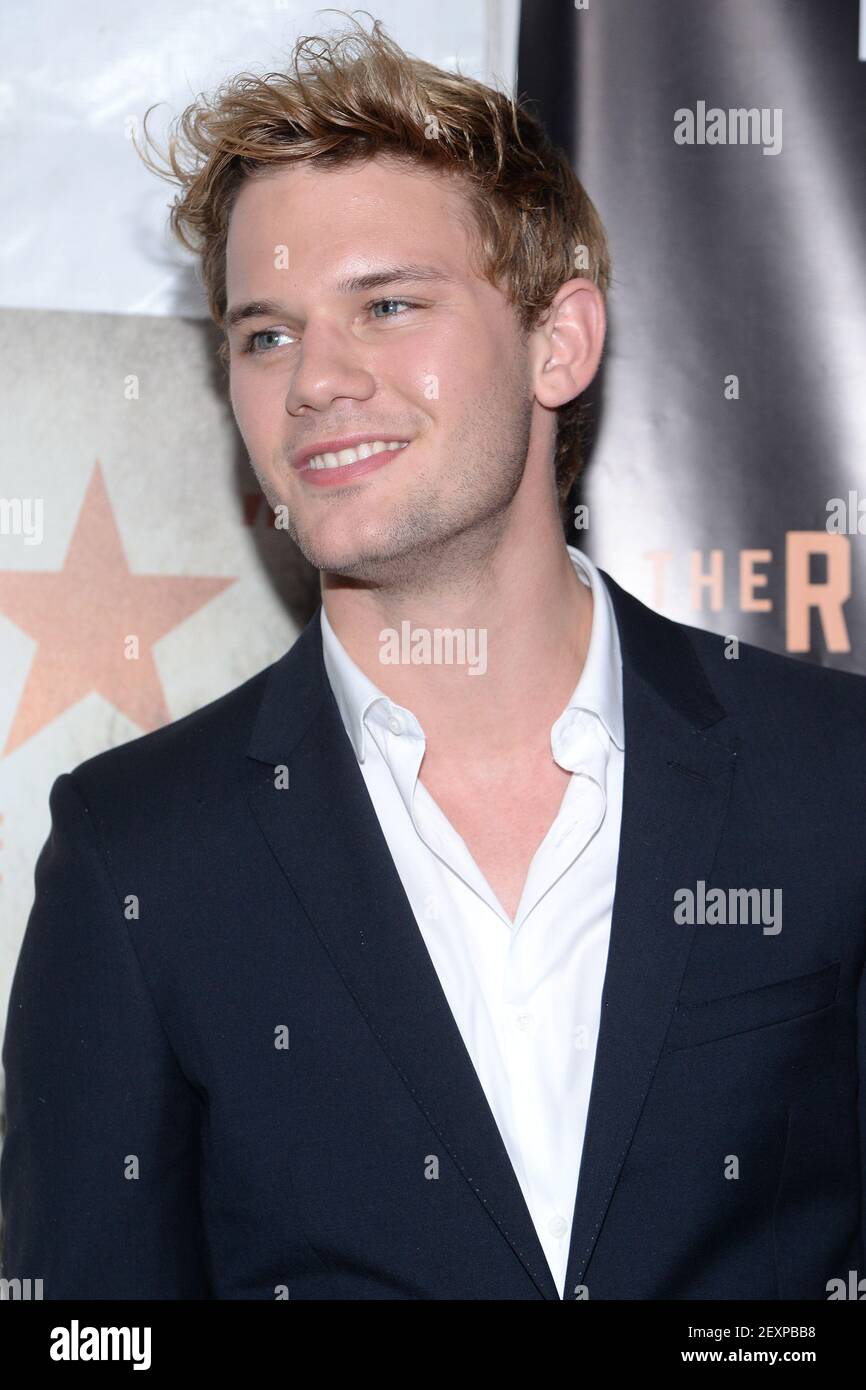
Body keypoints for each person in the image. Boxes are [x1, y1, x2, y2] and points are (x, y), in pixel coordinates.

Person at [2, 15, 864, 1301]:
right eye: (265, 334)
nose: (315, 382)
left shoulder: (829, 777)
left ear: (555, 342)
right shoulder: (140, 852)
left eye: (387, 305)